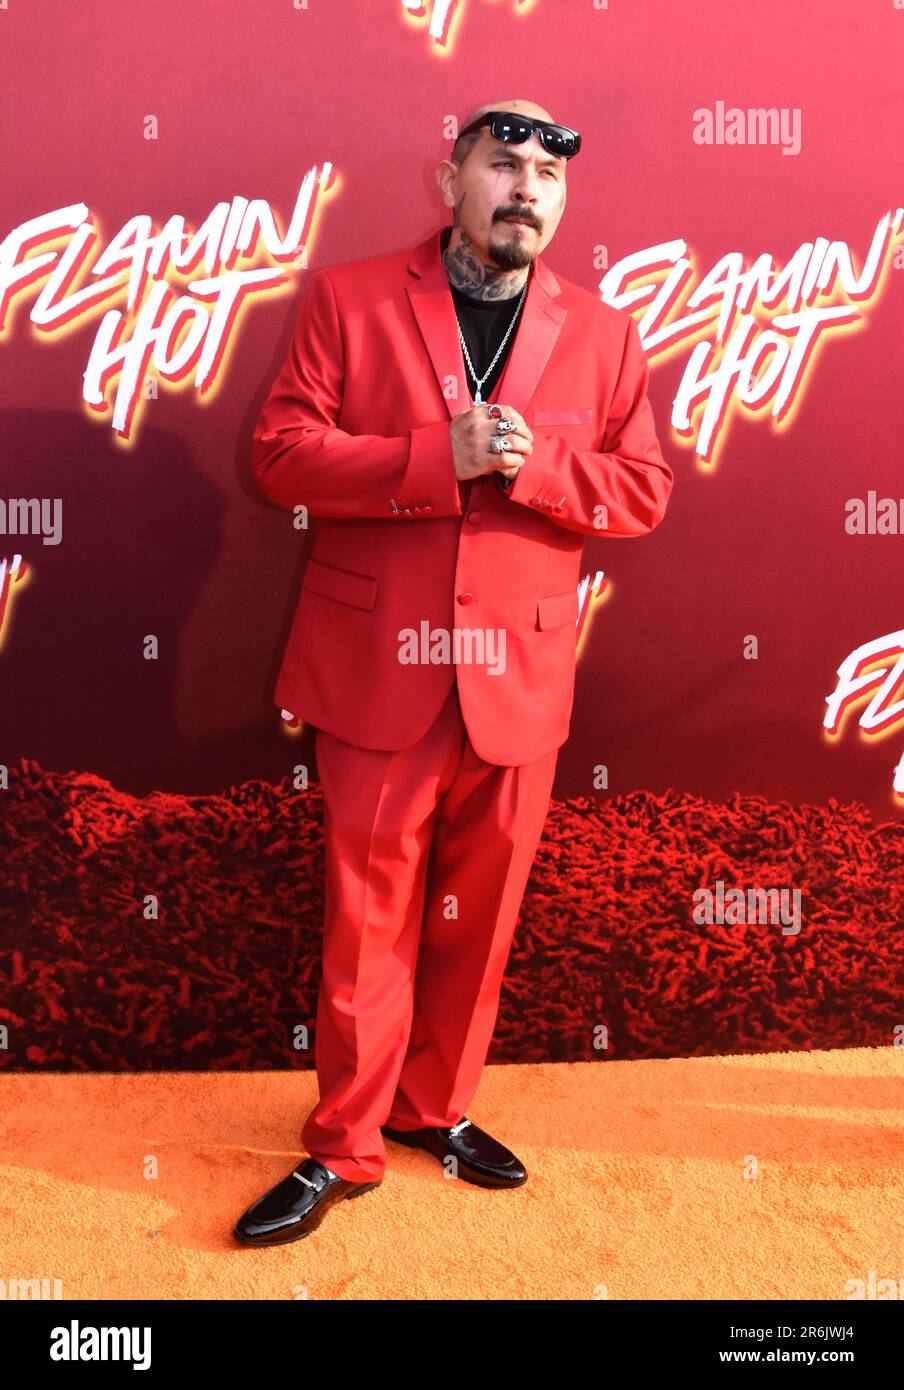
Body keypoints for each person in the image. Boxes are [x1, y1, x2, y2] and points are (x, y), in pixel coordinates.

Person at [233, 98, 673, 1248]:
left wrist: (535, 469)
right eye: (503, 163)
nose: (526, 187)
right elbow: (278, 455)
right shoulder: (348, 297)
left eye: (547, 175)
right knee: (366, 921)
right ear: (451, 180)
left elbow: (642, 492)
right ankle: (344, 1142)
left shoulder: (607, 332)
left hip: (518, 680)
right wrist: (440, 457)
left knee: (477, 922)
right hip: (379, 669)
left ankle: (437, 1107)